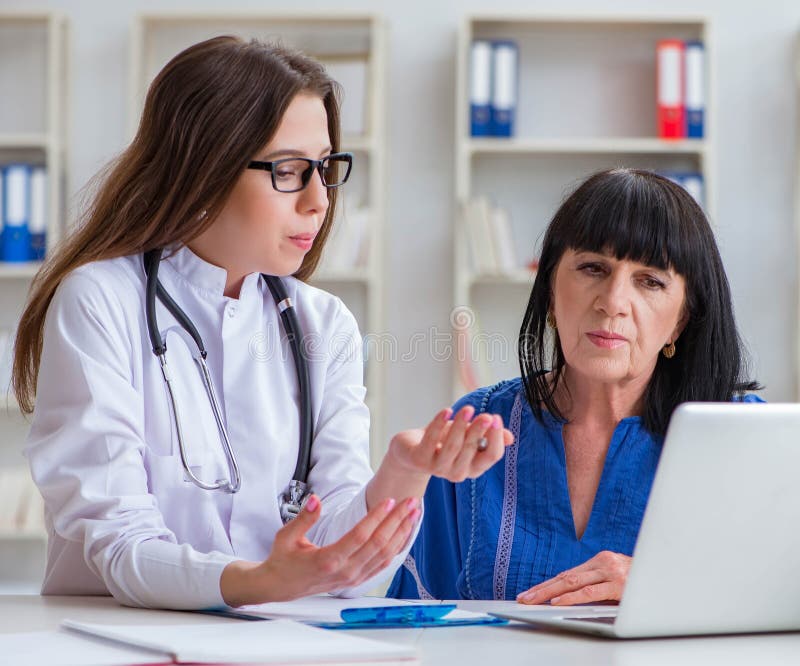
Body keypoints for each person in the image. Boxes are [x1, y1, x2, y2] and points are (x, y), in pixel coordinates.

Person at [13, 36, 513, 610]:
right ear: (205, 167)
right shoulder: (101, 301)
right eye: (289, 170)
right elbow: (118, 543)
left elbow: (339, 565)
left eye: (325, 169)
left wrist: (402, 474)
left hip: (278, 639)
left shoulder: (323, 324)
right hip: (118, 642)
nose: (319, 201)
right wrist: (260, 582)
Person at [388, 168, 762, 604]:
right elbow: (414, 624)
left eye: (650, 281)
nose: (613, 302)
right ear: (548, 288)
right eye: (592, 268)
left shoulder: (744, 435)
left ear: (681, 319)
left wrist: (665, 587)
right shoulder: (475, 429)